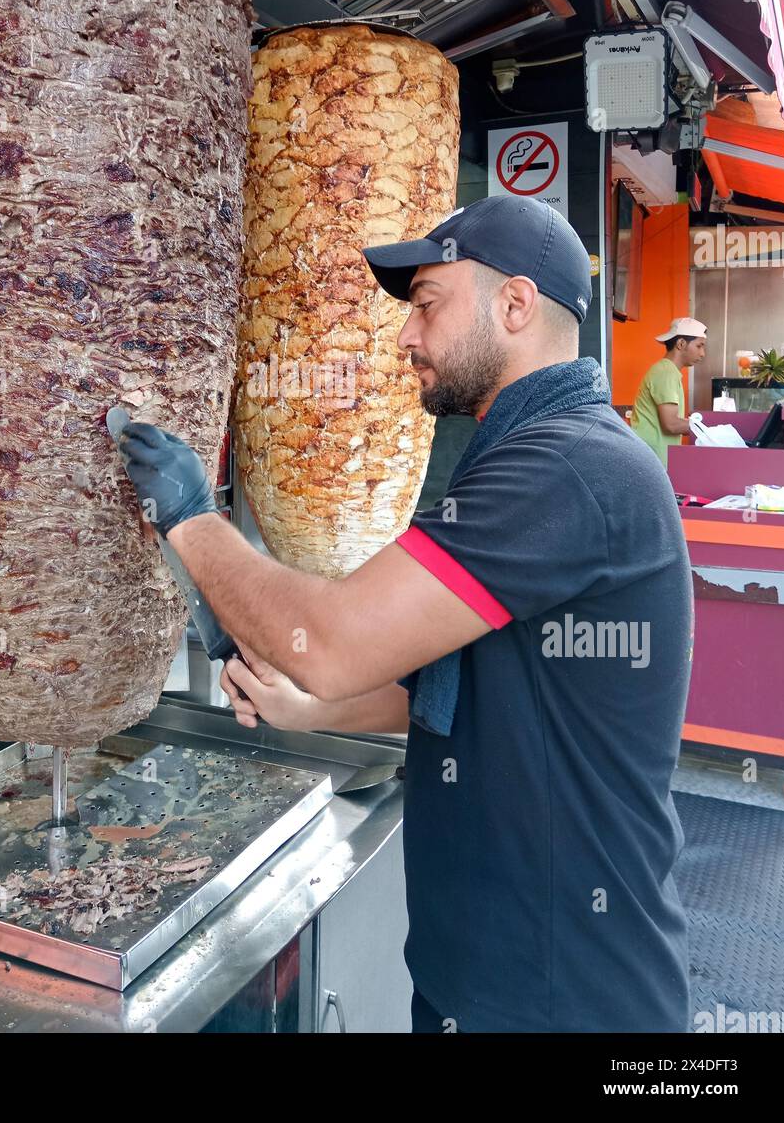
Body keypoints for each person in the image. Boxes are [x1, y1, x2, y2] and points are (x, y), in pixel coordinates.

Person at [115, 196, 693, 1034]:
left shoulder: (572, 469)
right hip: (485, 984)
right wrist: (311, 708)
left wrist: (193, 519)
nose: (404, 336)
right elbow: (472, 685)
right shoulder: (531, 454)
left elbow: (339, 639)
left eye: (427, 303)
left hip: (565, 1000)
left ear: (516, 304)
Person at [630, 318, 708, 468]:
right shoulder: (666, 372)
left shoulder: (668, 371)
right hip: (651, 461)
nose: (702, 353)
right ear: (681, 344)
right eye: (699, 346)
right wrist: (710, 430)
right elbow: (671, 424)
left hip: (653, 459)